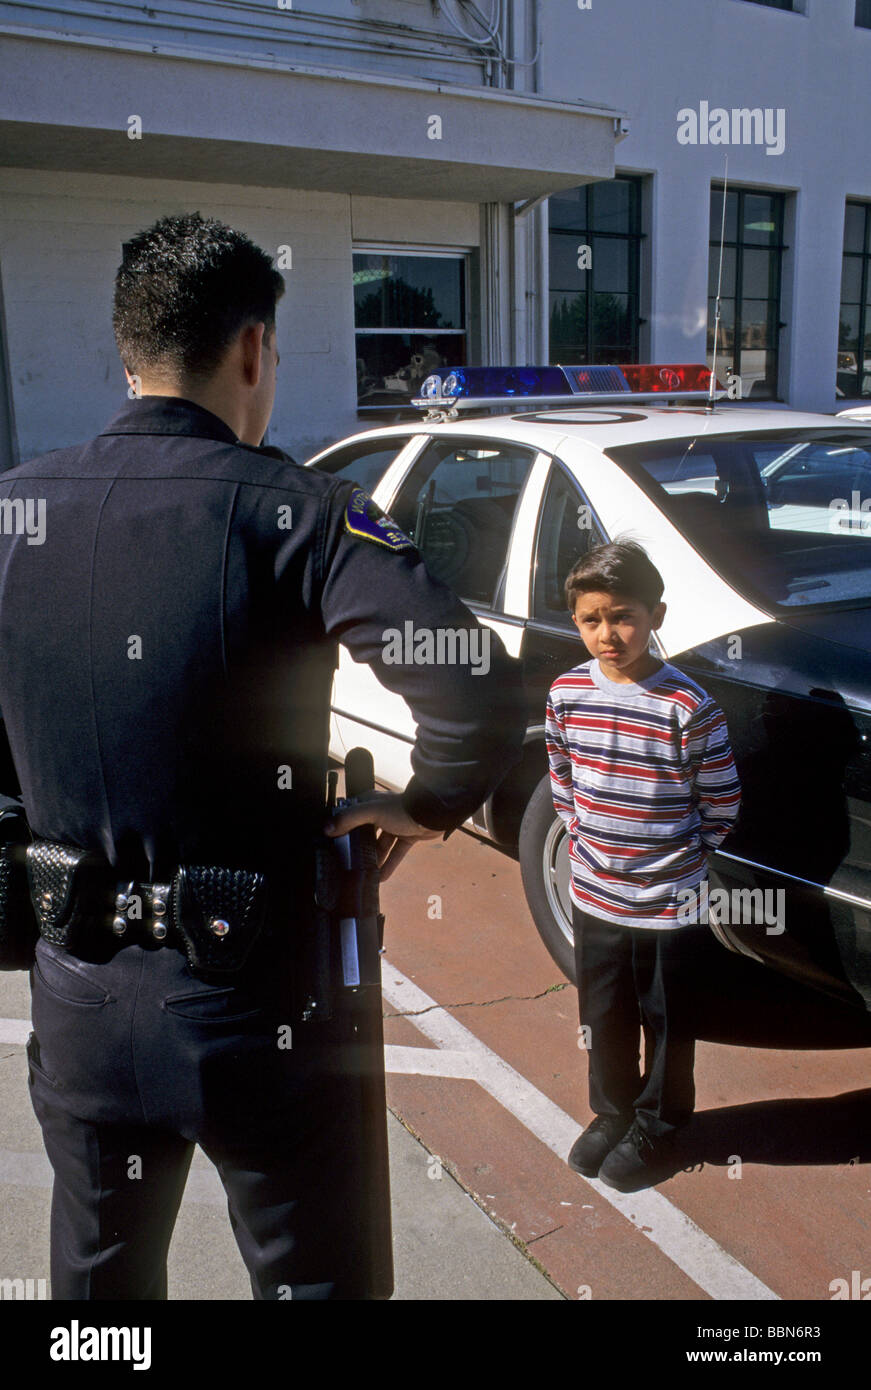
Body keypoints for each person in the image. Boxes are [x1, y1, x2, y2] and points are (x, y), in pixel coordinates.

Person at [0, 212, 527, 1299]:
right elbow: (470, 683)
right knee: (312, 1281)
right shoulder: (298, 512)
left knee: (97, 1289)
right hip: (260, 1005)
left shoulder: (16, 513)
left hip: (79, 992)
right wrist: (428, 803)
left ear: (128, 354)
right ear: (253, 350)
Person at [545, 540, 741, 1193]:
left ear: (654, 613)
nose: (608, 633)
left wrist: (683, 860)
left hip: (669, 901)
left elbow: (720, 799)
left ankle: (659, 1126)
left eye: (623, 616)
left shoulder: (685, 705)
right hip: (594, 894)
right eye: (590, 619)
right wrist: (581, 836)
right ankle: (612, 1112)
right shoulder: (567, 692)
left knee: (666, 1014)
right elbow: (562, 776)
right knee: (602, 1010)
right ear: (574, 620)